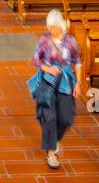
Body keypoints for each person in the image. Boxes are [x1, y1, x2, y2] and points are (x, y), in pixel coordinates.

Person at [32, 10, 83, 169]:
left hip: (66, 81)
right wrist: (48, 69)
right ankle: (51, 152)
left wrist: (78, 83)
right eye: (49, 27)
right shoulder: (44, 41)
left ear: (60, 25)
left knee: (66, 117)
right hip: (47, 81)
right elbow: (36, 61)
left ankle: (55, 139)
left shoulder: (70, 42)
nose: (51, 30)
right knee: (49, 116)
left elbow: (78, 62)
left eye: (53, 27)